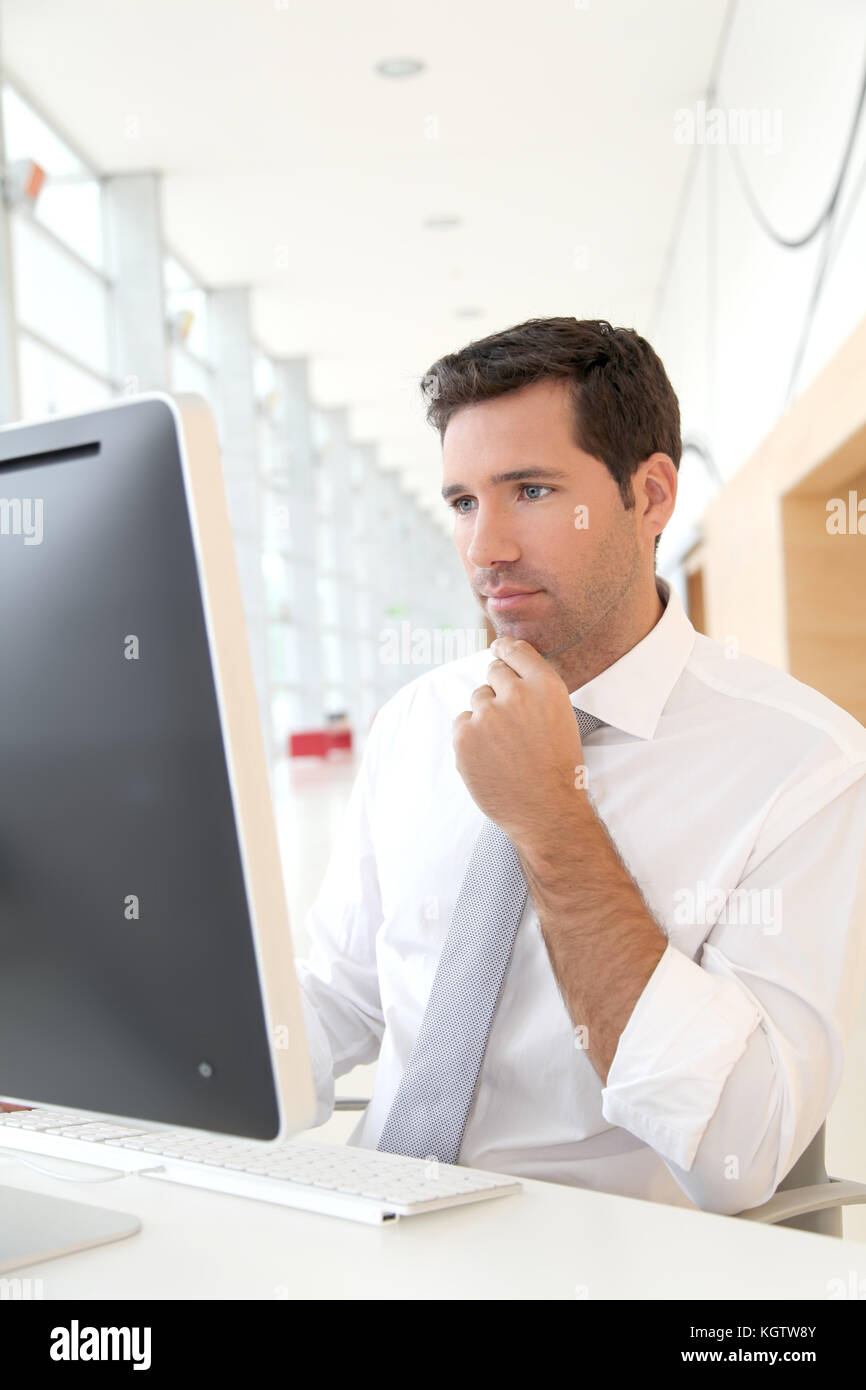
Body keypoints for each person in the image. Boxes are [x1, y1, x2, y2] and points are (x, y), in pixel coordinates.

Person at [295, 316, 866, 1215]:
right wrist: (145, 1080)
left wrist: (550, 818)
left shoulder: (804, 764)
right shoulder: (415, 721)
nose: (486, 549)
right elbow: (338, 996)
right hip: (371, 1227)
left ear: (651, 493)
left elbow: (738, 1154)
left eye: (530, 490)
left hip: (596, 1263)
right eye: (462, 502)